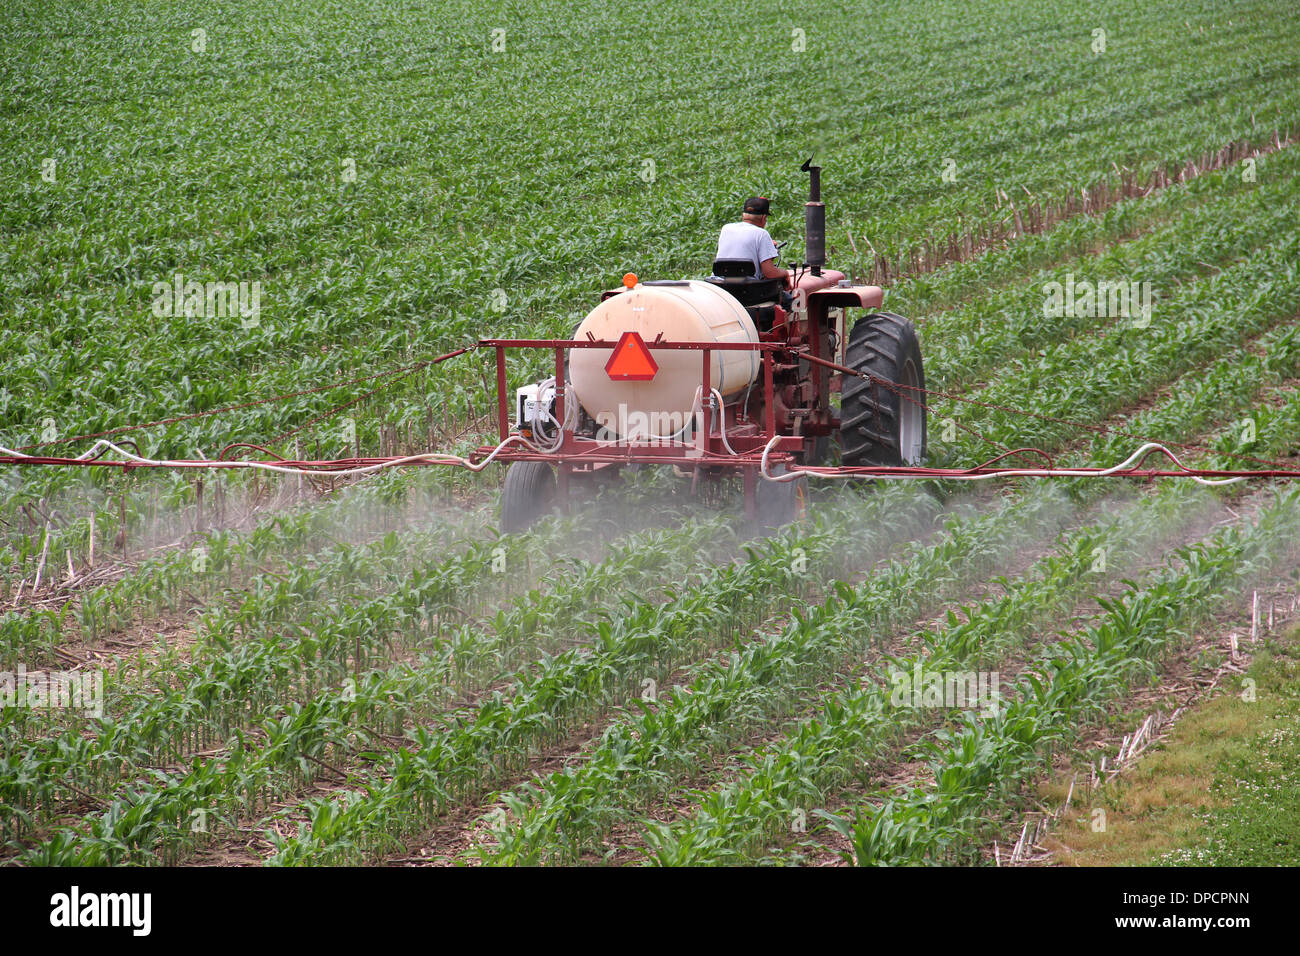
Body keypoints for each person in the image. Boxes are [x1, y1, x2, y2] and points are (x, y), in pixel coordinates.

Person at [715, 196, 792, 288]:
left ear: (743, 215)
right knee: (788, 299)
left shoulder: (726, 228)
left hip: (721, 286)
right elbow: (770, 273)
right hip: (747, 290)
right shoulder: (762, 234)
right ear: (764, 218)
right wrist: (785, 273)